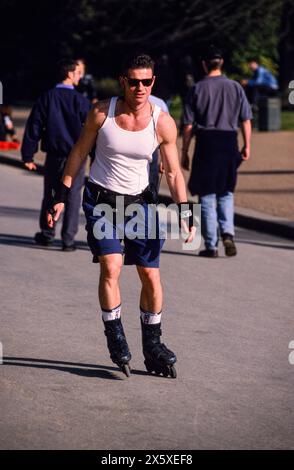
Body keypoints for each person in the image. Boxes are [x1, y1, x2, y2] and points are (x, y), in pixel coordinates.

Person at [48, 53, 196, 377]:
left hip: (141, 204)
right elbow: (78, 152)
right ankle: (114, 334)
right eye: (134, 81)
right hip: (102, 199)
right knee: (111, 264)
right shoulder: (103, 113)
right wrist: (60, 196)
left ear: (152, 82)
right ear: (123, 81)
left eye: (146, 81)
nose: (140, 87)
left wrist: (186, 211)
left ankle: (153, 344)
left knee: (150, 275)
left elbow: (173, 172)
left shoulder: (162, 121)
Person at [182, 46, 252, 258]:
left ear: (204, 64)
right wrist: (247, 144)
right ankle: (228, 233)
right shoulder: (236, 87)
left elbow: (187, 125)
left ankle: (211, 244)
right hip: (229, 141)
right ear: (221, 63)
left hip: (206, 143)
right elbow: (245, 119)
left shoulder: (196, 89)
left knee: (207, 194)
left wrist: (184, 151)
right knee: (226, 191)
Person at [21, 59, 91, 251]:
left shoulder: (47, 97)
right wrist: (94, 156)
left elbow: (34, 126)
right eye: (77, 73)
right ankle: (68, 239)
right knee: (73, 196)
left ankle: (47, 233)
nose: (79, 76)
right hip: (77, 157)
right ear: (69, 74)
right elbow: (92, 130)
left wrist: (28, 155)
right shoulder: (81, 101)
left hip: (54, 155)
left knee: (51, 193)